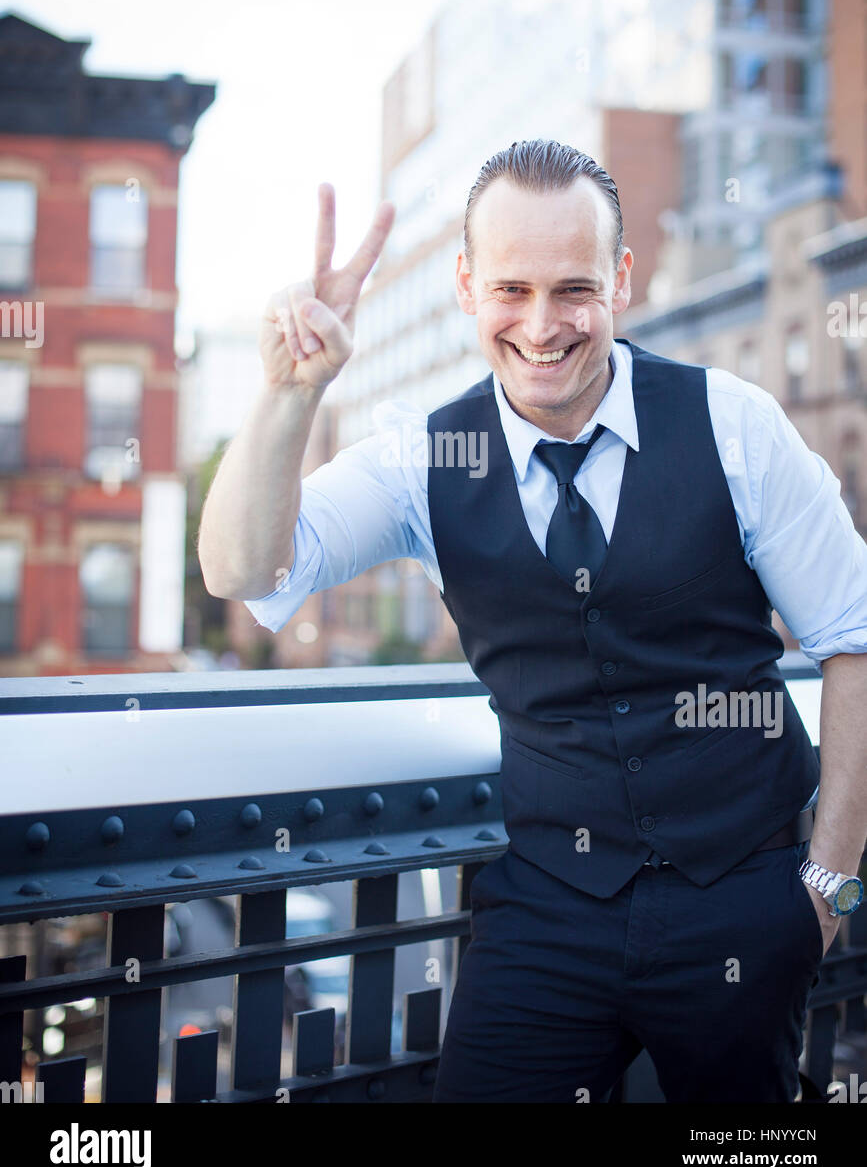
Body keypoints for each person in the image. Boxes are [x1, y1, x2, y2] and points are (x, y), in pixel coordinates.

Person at [198, 138, 867, 1103]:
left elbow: (852, 634)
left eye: (573, 289)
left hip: (745, 900)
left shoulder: (733, 424)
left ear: (621, 281)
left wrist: (826, 889)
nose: (542, 326)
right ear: (467, 286)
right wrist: (289, 390)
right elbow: (240, 567)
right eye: (511, 289)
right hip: (549, 908)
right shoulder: (425, 458)